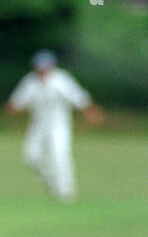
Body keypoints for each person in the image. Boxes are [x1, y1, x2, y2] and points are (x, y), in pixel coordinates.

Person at [7, 50, 102, 203]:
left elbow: (78, 97)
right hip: (37, 124)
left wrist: (91, 112)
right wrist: (11, 111)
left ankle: (66, 191)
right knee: (30, 156)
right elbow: (16, 102)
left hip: (59, 123)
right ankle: (52, 182)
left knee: (59, 155)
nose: (42, 72)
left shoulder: (61, 80)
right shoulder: (30, 81)